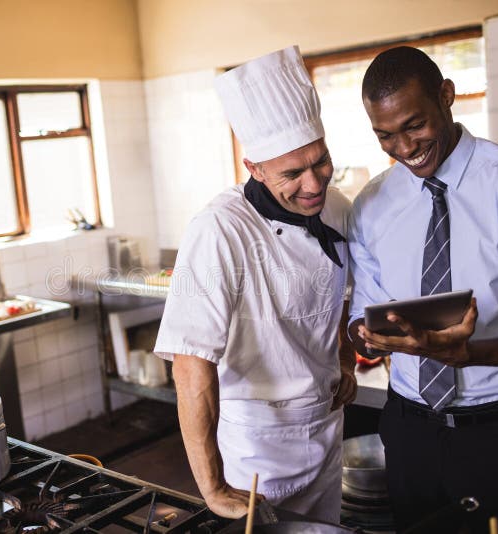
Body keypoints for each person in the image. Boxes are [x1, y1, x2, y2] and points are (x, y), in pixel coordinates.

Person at [346, 46, 498, 533]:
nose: (404, 148)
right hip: (407, 433)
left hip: (496, 435)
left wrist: (466, 354)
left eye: (414, 125)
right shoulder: (371, 205)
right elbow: (361, 315)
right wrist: (367, 337)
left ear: (446, 96)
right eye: (385, 135)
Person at [154, 45, 357, 523]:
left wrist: (345, 358)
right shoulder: (219, 230)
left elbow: (344, 293)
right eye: (293, 173)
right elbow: (190, 364)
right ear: (255, 169)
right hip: (257, 446)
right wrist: (211, 488)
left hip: (326, 427)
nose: (314, 184)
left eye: (321, 161)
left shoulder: (337, 208)